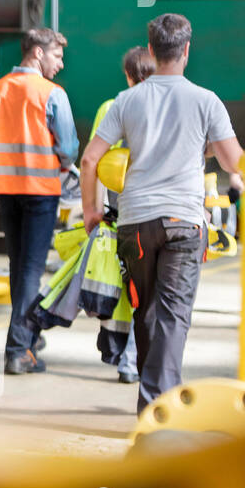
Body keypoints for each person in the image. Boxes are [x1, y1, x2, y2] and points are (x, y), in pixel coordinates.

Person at [81, 13, 244, 414]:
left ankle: (155, 403)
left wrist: (90, 211)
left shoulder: (127, 100)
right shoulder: (206, 101)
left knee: (147, 312)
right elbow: (232, 161)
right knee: (172, 317)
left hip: (136, 222)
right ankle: (158, 409)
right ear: (187, 50)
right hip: (183, 223)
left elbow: (89, 160)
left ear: (152, 51)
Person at [0, 28, 79, 375]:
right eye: (57, 56)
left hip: (4, 190)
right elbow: (67, 149)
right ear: (37, 53)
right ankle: (18, 348)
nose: (60, 64)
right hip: (39, 190)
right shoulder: (51, 94)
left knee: (19, 268)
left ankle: (30, 337)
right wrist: (64, 163)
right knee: (31, 271)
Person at [89, 45, 155, 384]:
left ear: (128, 74)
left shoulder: (111, 106)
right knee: (151, 294)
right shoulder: (164, 107)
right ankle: (139, 362)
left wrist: (94, 211)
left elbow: (94, 163)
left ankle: (127, 359)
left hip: (121, 214)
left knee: (127, 289)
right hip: (158, 210)